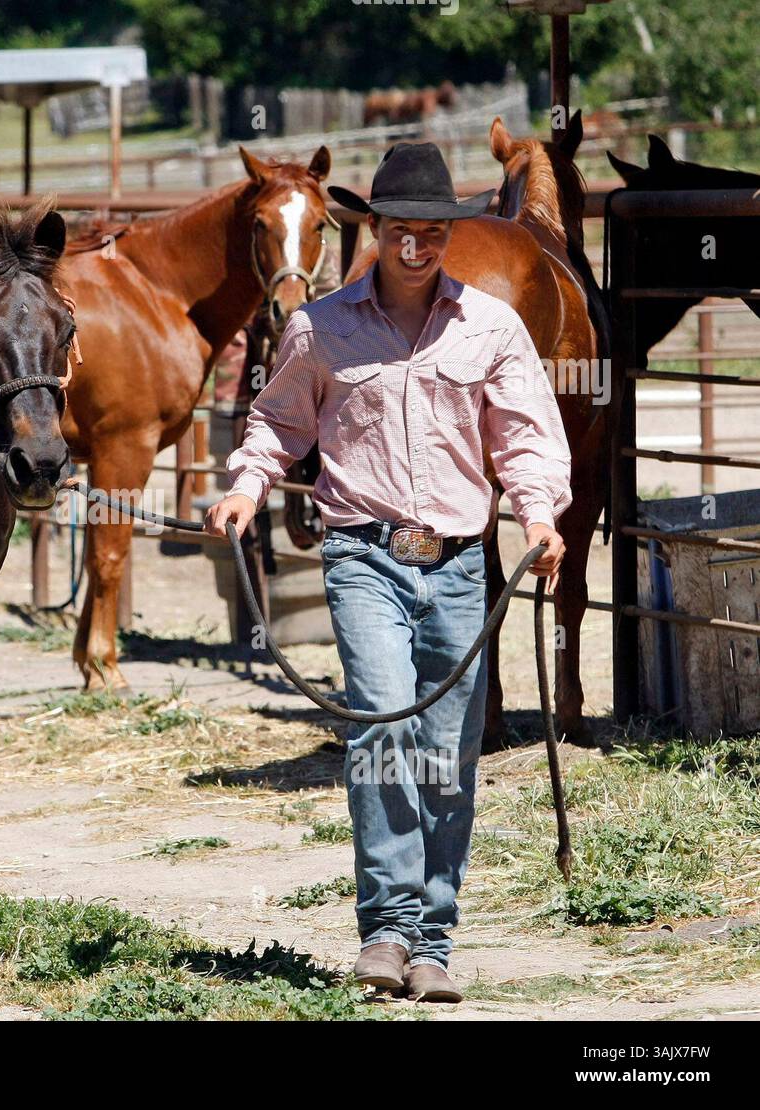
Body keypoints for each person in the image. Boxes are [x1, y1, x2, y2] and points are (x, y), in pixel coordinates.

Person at [206, 142, 571, 1003]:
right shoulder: (321, 327)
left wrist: (541, 519)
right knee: (378, 728)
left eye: (433, 234)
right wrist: (247, 487)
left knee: (447, 751)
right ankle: (386, 929)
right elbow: (278, 423)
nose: (417, 248)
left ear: (449, 232)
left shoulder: (491, 327)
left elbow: (524, 438)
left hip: (458, 563)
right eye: (401, 232)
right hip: (364, 553)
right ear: (373, 230)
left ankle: (433, 940)